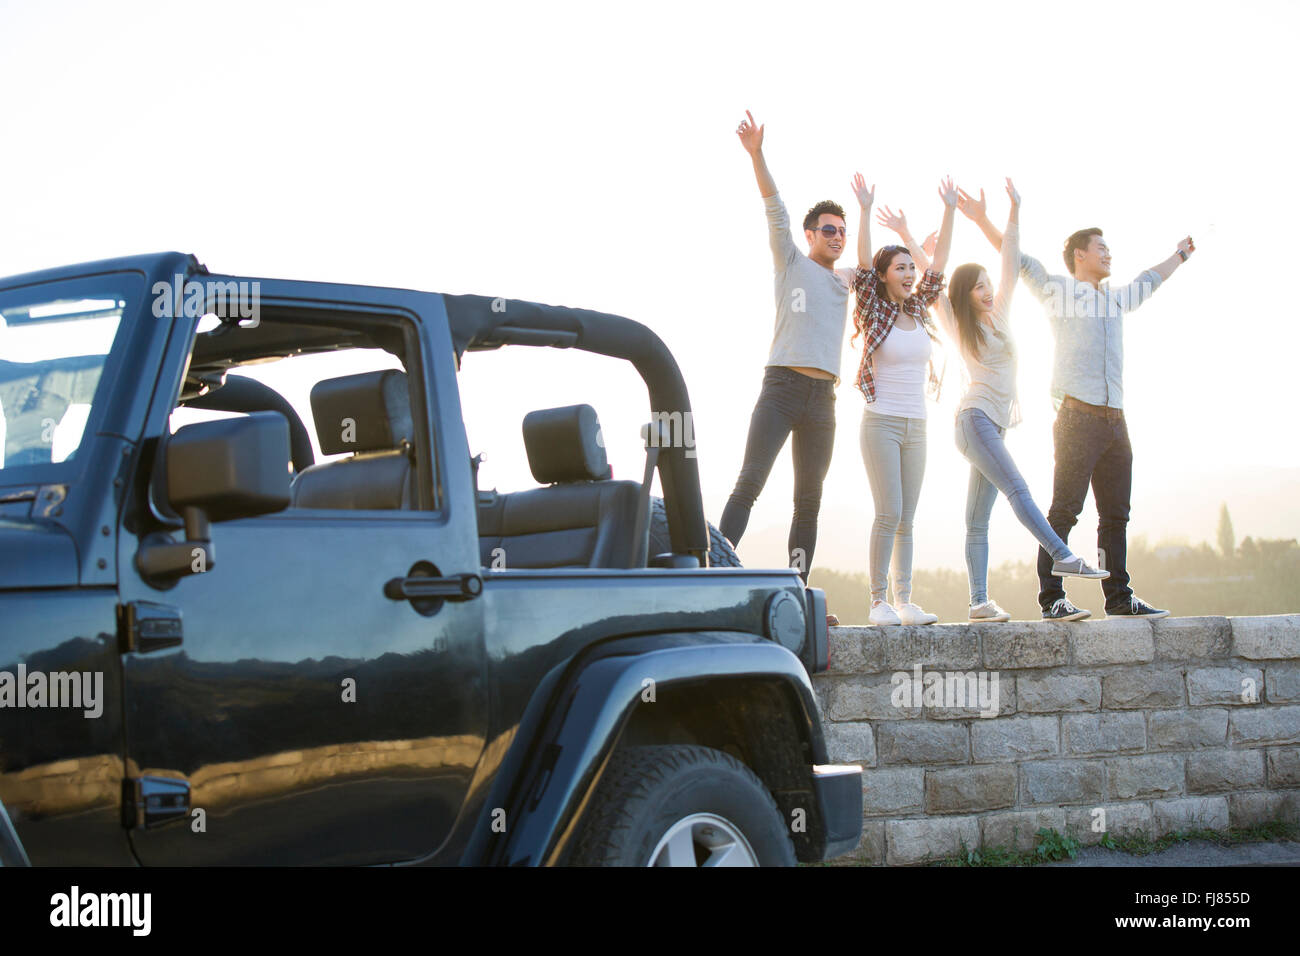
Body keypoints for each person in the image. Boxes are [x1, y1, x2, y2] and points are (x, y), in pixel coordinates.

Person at [877, 179, 1108, 623]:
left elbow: (1009, 260)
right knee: (1018, 490)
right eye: (977, 286)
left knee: (977, 519)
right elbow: (932, 277)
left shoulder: (1000, 315)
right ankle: (1060, 554)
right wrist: (908, 236)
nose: (986, 289)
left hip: (994, 424)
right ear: (965, 295)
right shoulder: (959, 324)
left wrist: (1014, 210)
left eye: (987, 284)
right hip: (974, 420)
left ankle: (979, 602)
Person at [960, 188, 1195, 619]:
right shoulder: (1061, 292)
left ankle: (1118, 597)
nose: (1108, 253)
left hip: (1115, 420)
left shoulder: (1116, 298)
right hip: (1077, 417)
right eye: (1101, 247)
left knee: (1115, 516)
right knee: (1064, 509)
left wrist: (1179, 255)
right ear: (1079, 255)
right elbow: (1018, 260)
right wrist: (983, 220)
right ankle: (1052, 598)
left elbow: (1149, 279)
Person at [719, 111, 855, 623]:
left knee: (809, 500)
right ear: (810, 233)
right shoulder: (792, 261)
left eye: (843, 231)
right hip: (781, 387)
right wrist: (757, 155)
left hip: (824, 400)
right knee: (750, 480)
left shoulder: (846, 281)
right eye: (829, 229)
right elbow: (774, 208)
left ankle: (798, 591)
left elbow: (888, 272)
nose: (837, 237)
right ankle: (710, 569)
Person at [848, 175, 955, 626]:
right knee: (888, 511)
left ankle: (906, 600)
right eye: (901, 268)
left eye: (912, 267)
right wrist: (866, 210)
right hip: (881, 423)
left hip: (918, 424)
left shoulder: (917, 309)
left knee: (908, 516)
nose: (910, 274)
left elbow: (940, 264)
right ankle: (878, 602)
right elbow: (864, 266)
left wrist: (949, 210)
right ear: (885, 275)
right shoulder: (877, 306)